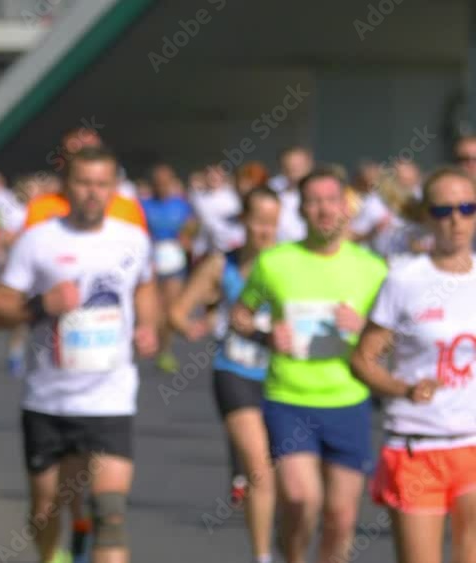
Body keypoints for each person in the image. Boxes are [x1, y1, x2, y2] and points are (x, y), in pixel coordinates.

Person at [0, 146, 159, 563]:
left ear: (114, 189)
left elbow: (145, 286)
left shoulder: (132, 238)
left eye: (102, 184)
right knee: (46, 509)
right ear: (68, 186)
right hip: (50, 398)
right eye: (84, 183)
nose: (92, 193)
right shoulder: (38, 240)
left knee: (110, 512)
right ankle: (52, 555)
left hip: (110, 396)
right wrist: (40, 305)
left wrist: (148, 325)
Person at [231, 167, 388, 563]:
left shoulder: (373, 268)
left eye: (331, 200)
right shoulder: (276, 262)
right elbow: (240, 315)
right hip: (289, 397)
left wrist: (366, 327)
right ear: (301, 210)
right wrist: (267, 333)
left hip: (348, 401)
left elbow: (396, 336)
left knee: (340, 516)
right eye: (314, 202)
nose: (324, 210)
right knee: (301, 499)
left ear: (346, 207)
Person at [350, 168, 476, 563]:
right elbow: (363, 359)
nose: (456, 220)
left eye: (467, 208)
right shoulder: (405, 279)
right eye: (443, 210)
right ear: (426, 216)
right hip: (417, 447)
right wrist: (404, 389)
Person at [169, 187, 281, 563]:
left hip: (282, 377)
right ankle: (262, 556)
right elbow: (179, 310)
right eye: (259, 222)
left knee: (287, 478)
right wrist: (192, 327)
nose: (265, 231)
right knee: (258, 465)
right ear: (244, 221)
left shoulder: (288, 263)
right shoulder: (221, 265)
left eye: (272, 223)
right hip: (233, 371)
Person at [142, 162, 195, 374]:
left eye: (166, 183)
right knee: (154, 310)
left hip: (173, 261)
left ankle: (165, 350)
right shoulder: (143, 205)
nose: (162, 187)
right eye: (158, 183)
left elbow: (192, 225)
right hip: (151, 261)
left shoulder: (180, 205)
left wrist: (187, 236)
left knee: (171, 309)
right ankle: (151, 342)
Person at [268, 146, 313, 243]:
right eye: (288, 166)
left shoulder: (321, 192)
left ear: (309, 165)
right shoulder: (271, 189)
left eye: (298, 166)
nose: (293, 170)